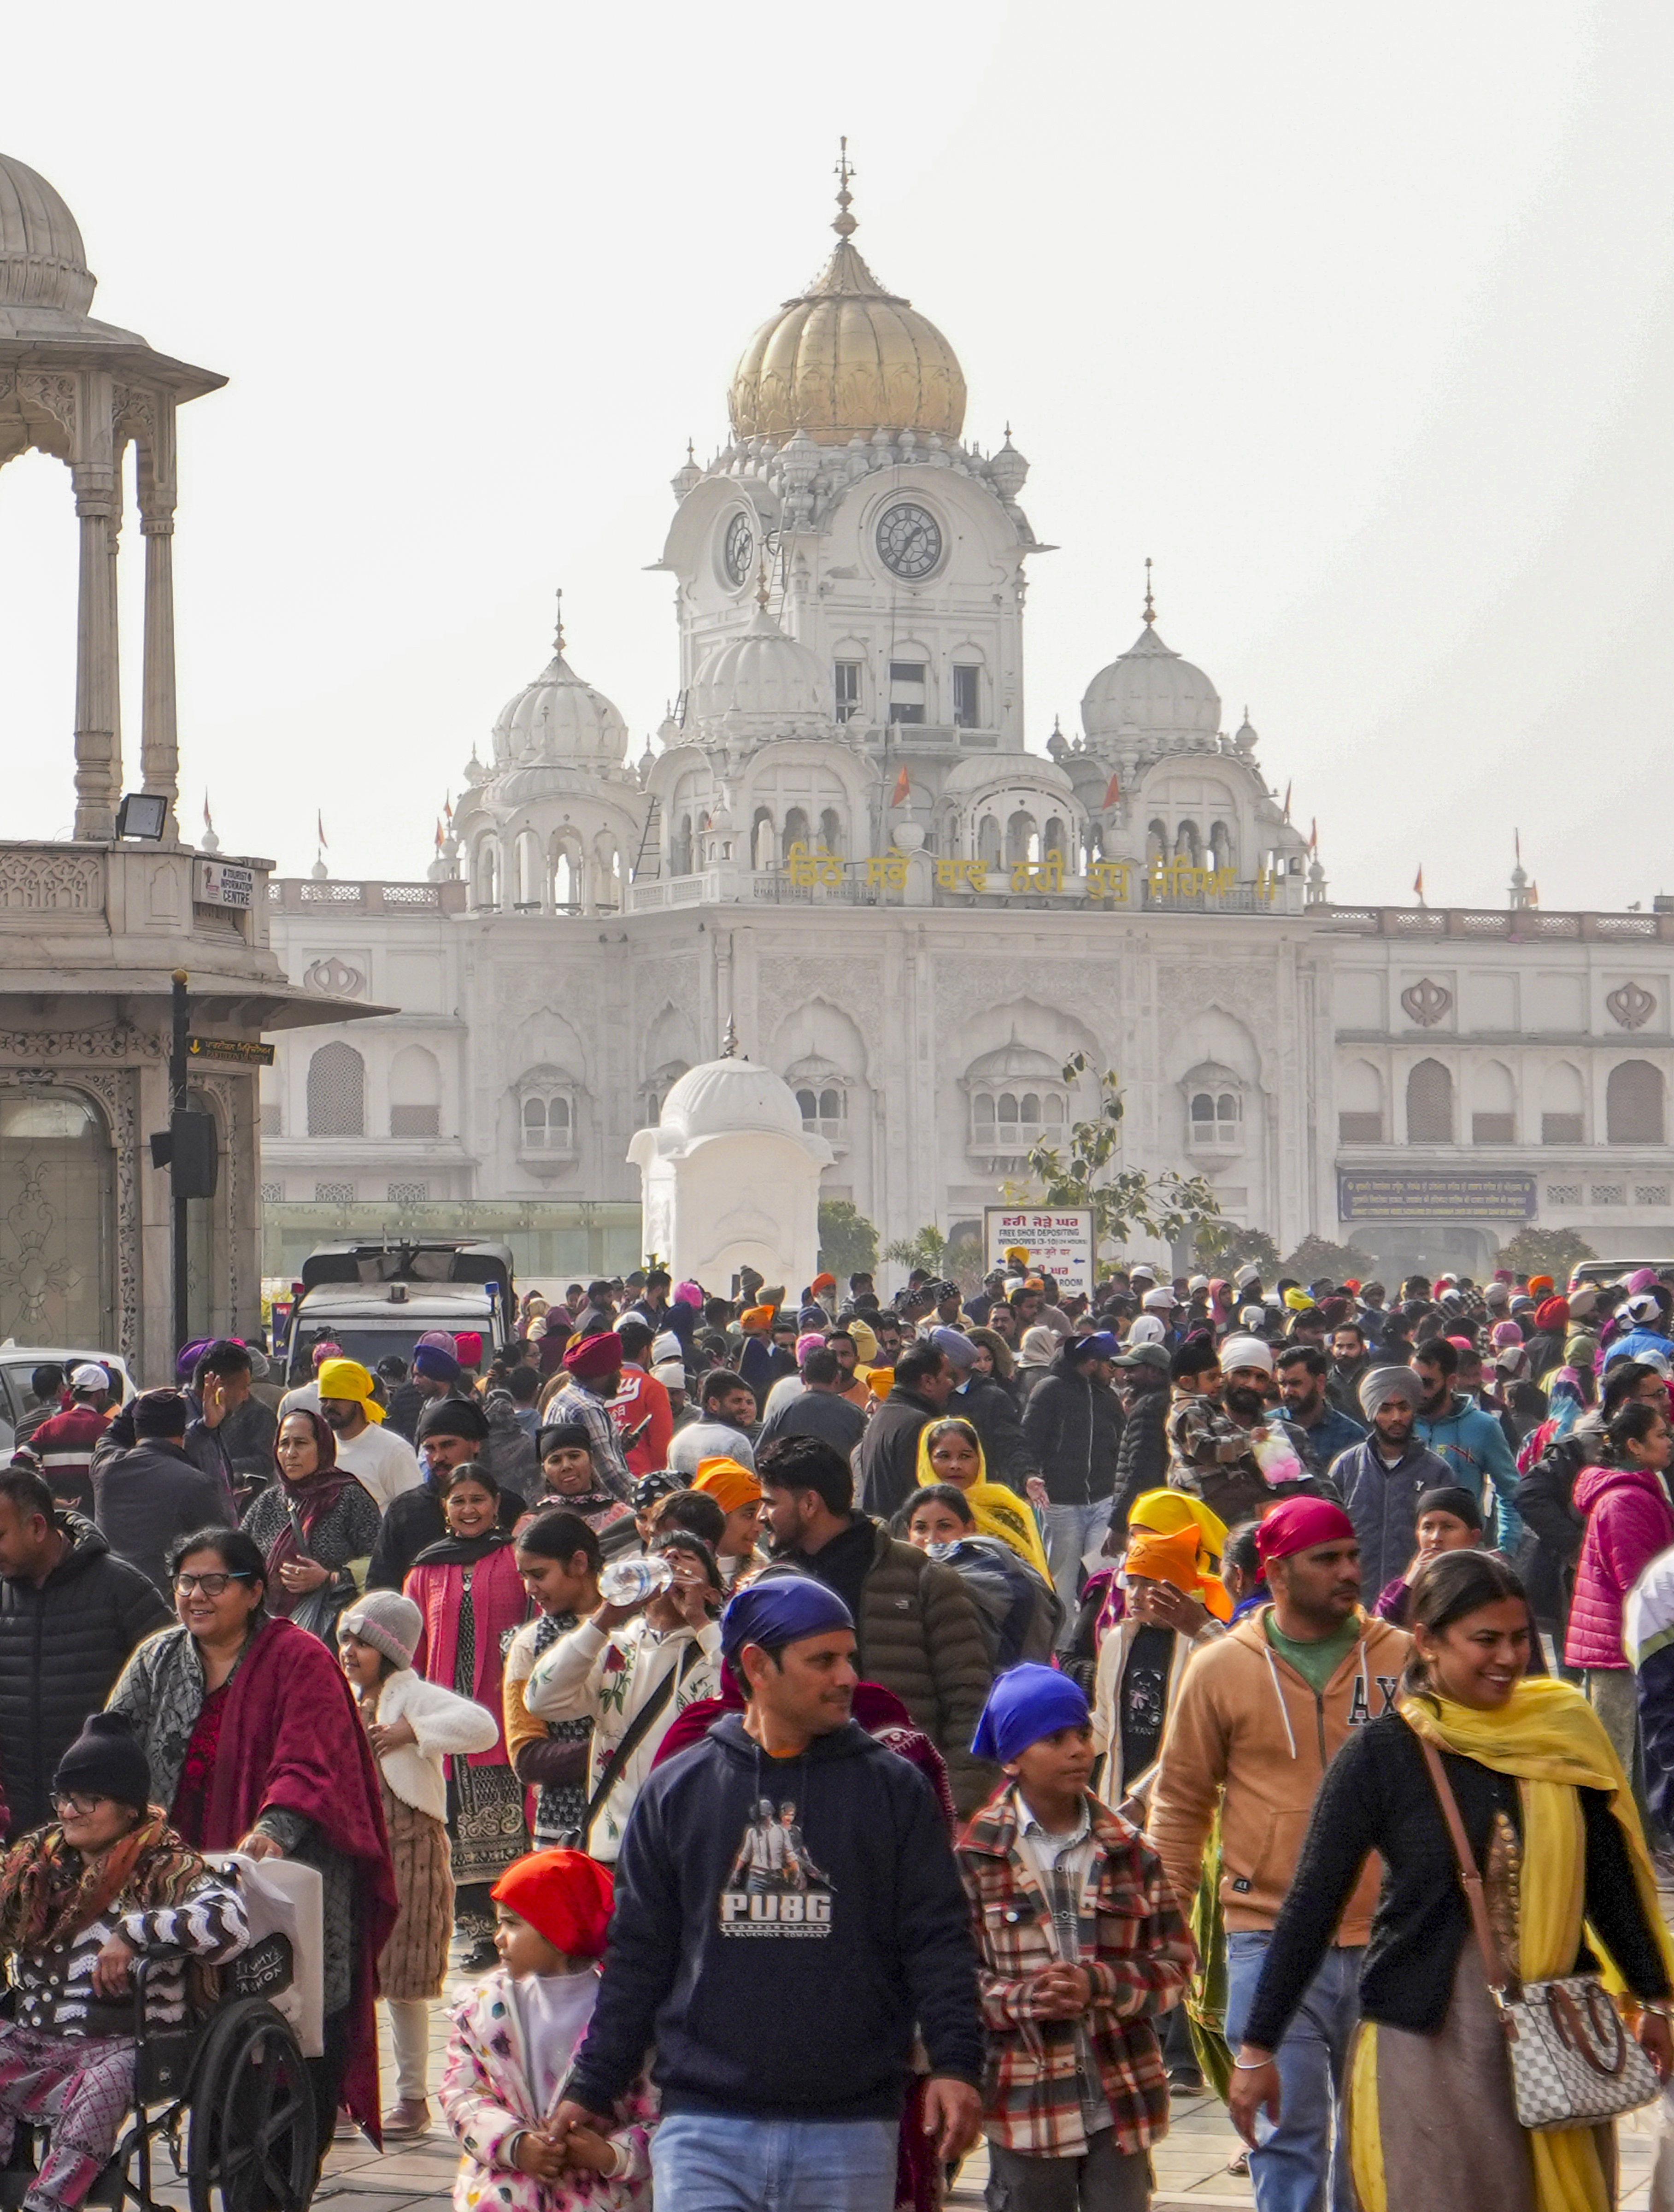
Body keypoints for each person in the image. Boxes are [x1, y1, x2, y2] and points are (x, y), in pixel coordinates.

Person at [1228, 1551, 1674, 2212]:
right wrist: (1257, 2047)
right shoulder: (1383, 1754)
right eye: (1485, 1640)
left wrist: (1655, 1997)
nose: (1507, 1658)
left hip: (1556, 2036)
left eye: (1519, 1638)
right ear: (1429, 1642)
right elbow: (1312, 1904)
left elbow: (1605, 1880)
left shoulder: (1560, 1735)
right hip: (1427, 2043)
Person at [552, 1577, 984, 2212]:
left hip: (852, 2131)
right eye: (823, 1660)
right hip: (704, 2130)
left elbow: (938, 1940)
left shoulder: (893, 1791)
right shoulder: (680, 1790)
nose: (846, 1677)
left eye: (848, 1656)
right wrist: (592, 2085)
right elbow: (639, 1955)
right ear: (756, 1664)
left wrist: (955, 2063)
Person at [1148, 1498, 1410, 2212]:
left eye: (1353, 1555)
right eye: (1327, 1559)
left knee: (1376, 2144)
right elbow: (1180, 1802)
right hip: (1265, 1936)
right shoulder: (1218, 1669)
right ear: (1277, 1572)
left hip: (1392, 1936)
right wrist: (1168, 1922)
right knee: (1285, 2135)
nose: (1349, 1571)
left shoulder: (1401, 1657)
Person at [106, 1526, 398, 2154]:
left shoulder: (300, 1659)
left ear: (255, 1590)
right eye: (186, 1582)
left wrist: (273, 1829)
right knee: (194, 2021)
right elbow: (115, 1747)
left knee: (291, 2011)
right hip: (186, 1873)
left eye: (215, 1582)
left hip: (285, 1873)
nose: (196, 1596)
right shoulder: (158, 1658)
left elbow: (312, 1761)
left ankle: (290, 2153)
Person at [959, 1665, 1195, 2212]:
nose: (1077, 1750)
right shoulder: (976, 1859)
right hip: (1025, 2107)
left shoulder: (1131, 1852)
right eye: (1054, 1739)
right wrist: (1023, 1999)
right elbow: (955, 1981)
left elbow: (1177, 1966)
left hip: (1122, 2101)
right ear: (1013, 1758)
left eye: (1083, 1734)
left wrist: (1099, 1984)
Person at [0, 1711, 249, 2212]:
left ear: (129, 1809)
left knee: (104, 2085)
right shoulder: (37, 1862)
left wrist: (136, 1931)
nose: (69, 1812)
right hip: (33, 2032)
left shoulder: (164, 1865)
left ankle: (49, 2205)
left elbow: (230, 1924)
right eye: (64, 1799)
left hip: (123, 2042)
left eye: (87, 1800)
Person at [756, 1436, 995, 1815]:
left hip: (905, 1805)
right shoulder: (769, 1589)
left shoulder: (921, 1578)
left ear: (809, 1504)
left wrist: (954, 1805)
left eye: (770, 1501)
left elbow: (970, 1700)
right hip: (803, 1809)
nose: (761, 1515)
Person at [338, 1590, 499, 2138]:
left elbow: (482, 1727)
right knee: (355, 1975)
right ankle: (344, 2091)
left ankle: (412, 2097)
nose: (351, 1651)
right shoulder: (342, 1699)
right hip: (357, 1848)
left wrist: (414, 1733)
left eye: (364, 1642)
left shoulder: (415, 1697)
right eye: (346, 1640)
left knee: (405, 1974)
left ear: (391, 1650)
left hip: (410, 1845)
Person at [441, 1849, 654, 2211]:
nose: (497, 1938)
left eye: (512, 1924)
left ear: (559, 1928)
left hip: (600, 2201)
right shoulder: (480, 2010)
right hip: (504, 2197)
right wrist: (514, 2145)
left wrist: (609, 2156)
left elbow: (655, 2113)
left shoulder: (625, 2017)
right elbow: (460, 2094)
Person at [523, 1531, 723, 1863]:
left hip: (690, 1847)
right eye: (661, 1553)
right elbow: (541, 1699)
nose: (670, 1558)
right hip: (613, 1848)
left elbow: (744, 1694)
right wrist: (605, 1616)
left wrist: (699, 1620)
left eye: (686, 1557)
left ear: (713, 1593)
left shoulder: (717, 1649)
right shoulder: (615, 1647)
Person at [403, 1466, 531, 1967]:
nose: (469, 1509)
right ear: (445, 1509)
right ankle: (479, 1932)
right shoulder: (424, 1571)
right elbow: (415, 1647)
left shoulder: (516, 1558)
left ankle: (518, 1924)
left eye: (478, 1498)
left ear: (497, 1503)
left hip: (502, 1712)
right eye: (459, 1501)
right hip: (445, 1719)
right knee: (457, 1828)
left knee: (510, 1826)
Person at [0, 1467, 171, 1840]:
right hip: (22, 1832)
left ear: (38, 1527)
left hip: (108, 1830)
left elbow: (175, 1690)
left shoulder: (123, 1590)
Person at [1566, 1397, 1674, 1775]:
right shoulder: (1623, 1500)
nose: (1668, 1441)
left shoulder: (1641, 1490)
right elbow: (1638, 1583)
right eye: (1661, 1435)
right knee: (1617, 1763)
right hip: (1618, 1649)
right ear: (1634, 1445)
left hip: (1629, 1642)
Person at [1092, 1522, 1228, 1813]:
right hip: (1120, 1796)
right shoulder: (1118, 1640)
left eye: (1150, 1584)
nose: (1136, 1595)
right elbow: (1105, 1722)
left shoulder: (1200, 1645)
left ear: (1177, 1589)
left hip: (1176, 1801)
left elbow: (1195, 1740)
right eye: (1132, 1583)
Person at [503, 1512, 601, 1851]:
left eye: (539, 1575)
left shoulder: (639, 1629)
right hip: (565, 1826)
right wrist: (612, 1752)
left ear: (578, 1563)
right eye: (525, 1577)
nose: (530, 1589)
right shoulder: (530, 1643)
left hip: (638, 1818)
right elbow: (526, 1757)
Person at [241, 1409, 381, 1644]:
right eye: (284, 1444)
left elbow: (380, 1563)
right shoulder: (267, 1503)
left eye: (301, 1443)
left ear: (322, 1447)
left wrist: (329, 1578)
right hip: (265, 1634)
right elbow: (238, 1557)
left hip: (331, 1633)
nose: (291, 1453)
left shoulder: (348, 1498)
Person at [897, 1486, 1060, 1669]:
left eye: (945, 1526)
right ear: (908, 1532)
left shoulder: (997, 1576)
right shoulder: (896, 1581)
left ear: (969, 1529)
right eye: (921, 1528)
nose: (932, 1539)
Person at [90, 1389, 233, 1599]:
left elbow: (110, 1435)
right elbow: (222, 1547)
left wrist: (136, 1402)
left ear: (137, 1431)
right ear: (182, 1431)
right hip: (166, 1603)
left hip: (108, 1597)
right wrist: (204, 1427)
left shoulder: (106, 1468)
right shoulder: (196, 1484)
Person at [1020, 1334, 1123, 1618]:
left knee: (1103, 1575)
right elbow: (1027, 1442)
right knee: (1062, 1581)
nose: (1115, 1373)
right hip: (1061, 1504)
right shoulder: (1049, 1391)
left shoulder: (1109, 1397)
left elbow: (1121, 1444)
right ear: (1092, 1363)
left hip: (1103, 1501)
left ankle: (1095, 1642)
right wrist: (1029, 1475)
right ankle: (1061, 1647)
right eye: (1110, 1365)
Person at [1328, 1367, 1451, 1601]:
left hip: (1416, 1600)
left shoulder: (1438, 1472)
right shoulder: (1347, 1467)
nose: (1396, 1417)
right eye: (1386, 1409)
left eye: (1403, 1408)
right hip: (1355, 1601)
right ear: (1372, 1413)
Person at [367, 1397, 502, 1592]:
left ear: (475, 1445)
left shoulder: (506, 1504)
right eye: (430, 1448)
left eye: (448, 1445)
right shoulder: (405, 1511)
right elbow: (381, 1586)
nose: (438, 1458)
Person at [1411, 1336, 1523, 1551]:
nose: (1418, 1392)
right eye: (1413, 1382)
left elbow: (1511, 1492)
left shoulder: (1483, 1426)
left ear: (1451, 1381)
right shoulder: (1401, 1424)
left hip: (1461, 1558)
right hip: (1405, 1559)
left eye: (1427, 1383)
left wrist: (1506, 1549)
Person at [913, 1415, 1051, 1580]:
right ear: (928, 1461)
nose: (955, 1465)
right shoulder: (916, 1513)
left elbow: (1028, 1572)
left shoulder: (1005, 1509)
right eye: (944, 1456)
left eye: (965, 1456)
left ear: (980, 1460)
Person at [857, 1342, 957, 1521]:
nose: (951, 1383)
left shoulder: (883, 1416)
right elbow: (924, 1496)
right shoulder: (919, 1424)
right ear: (928, 1382)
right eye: (947, 1376)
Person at [318, 1358, 423, 1510]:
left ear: (358, 1402)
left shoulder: (395, 1451)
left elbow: (413, 1511)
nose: (329, 1406)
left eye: (337, 1399)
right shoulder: (319, 1448)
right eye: (324, 1400)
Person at [540, 1336, 634, 1504]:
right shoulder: (587, 1409)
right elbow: (610, 1476)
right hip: (595, 1510)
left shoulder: (562, 1396)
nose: (620, 1378)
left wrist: (618, 1445)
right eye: (617, 1371)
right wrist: (649, 1499)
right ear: (604, 1373)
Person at [530, 1424, 637, 1554]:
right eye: (556, 1461)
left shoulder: (622, 1516)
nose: (566, 1466)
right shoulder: (532, 1523)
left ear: (591, 1459)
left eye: (574, 1457)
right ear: (544, 1470)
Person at [23, 1365, 112, 1517]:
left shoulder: (49, 1427)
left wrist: (51, 1499)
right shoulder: (108, 1428)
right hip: (95, 1518)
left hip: (58, 1518)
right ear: (99, 1394)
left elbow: (20, 1460)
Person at [1106, 1341, 1172, 1539]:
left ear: (1154, 1371)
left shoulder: (1149, 1408)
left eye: (1133, 1370)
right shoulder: (1165, 1401)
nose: (1126, 1377)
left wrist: (1118, 1524)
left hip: (1146, 1516)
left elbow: (1141, 1470)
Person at [758, 1345, 868, 1458]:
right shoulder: (855, 1415)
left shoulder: (785, 1412)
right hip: (842, 1475)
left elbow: (759, 1454)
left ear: (802, 1377)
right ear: (838, 1378)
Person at [1274, 1346, 1365, 1473]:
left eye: (1296, 1383)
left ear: (1320, 1383)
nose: (1287, 1391)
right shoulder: (1269, 1426)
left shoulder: (1351, 1435)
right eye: (1282, 1384)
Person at [691, 1456, 767, 1588]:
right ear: (716, 1517)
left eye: (760, 1514)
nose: (759, 1527)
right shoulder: (677, 1573)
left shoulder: (765, 1576)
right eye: (749, 1515)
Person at [666, 1371, 759, 1477]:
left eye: (749, 1402)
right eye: (737, 1401)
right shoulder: (735, 1442)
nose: (744, 1408)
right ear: (714, 1404)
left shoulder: (678, 1440)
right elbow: (751, 1490)